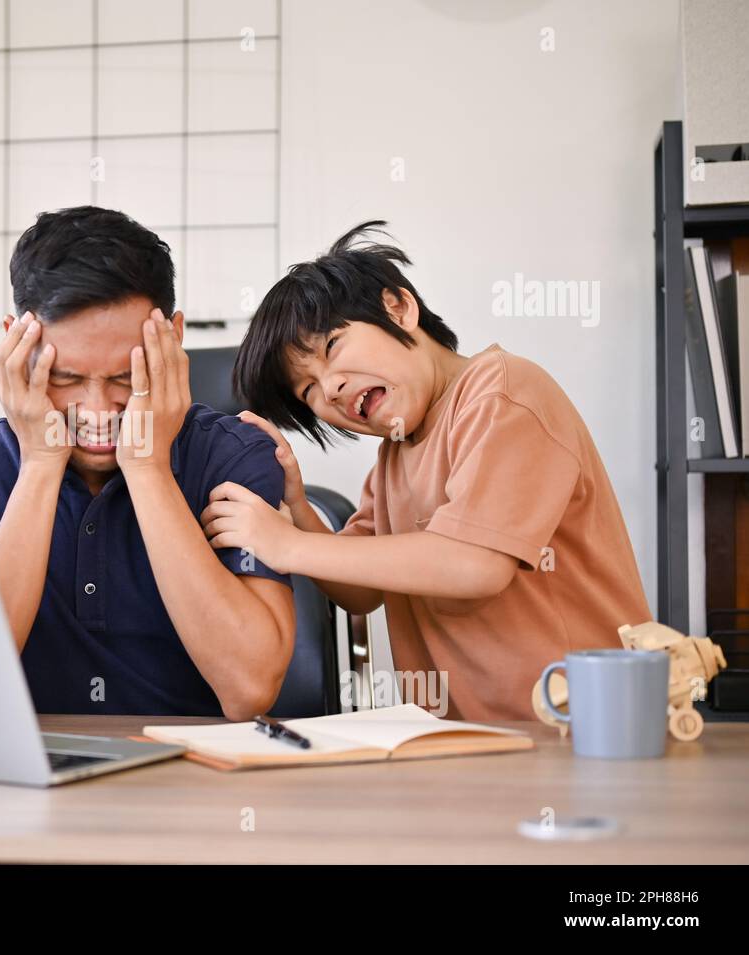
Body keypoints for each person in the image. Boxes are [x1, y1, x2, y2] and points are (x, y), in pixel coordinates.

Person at [210, 221, 650, 720]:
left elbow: (475, 564)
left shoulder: (504, 396)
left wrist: (285, 543)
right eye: (308, 392)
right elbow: (361, 592)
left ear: (398, 308)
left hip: (584, 730)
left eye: (332, 348)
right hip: (470, 745)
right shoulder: (394, 455)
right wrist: (297, 508)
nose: (329, 389)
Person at [0, 206, 295, 719]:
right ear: (14, 344)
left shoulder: (235, 455)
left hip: (197, 777)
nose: (96, 410)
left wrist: (149, 467)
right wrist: (41, 465)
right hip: (21, 774)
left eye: (124, 377)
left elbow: (248, 690)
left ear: (172, 340)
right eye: (66, 378)